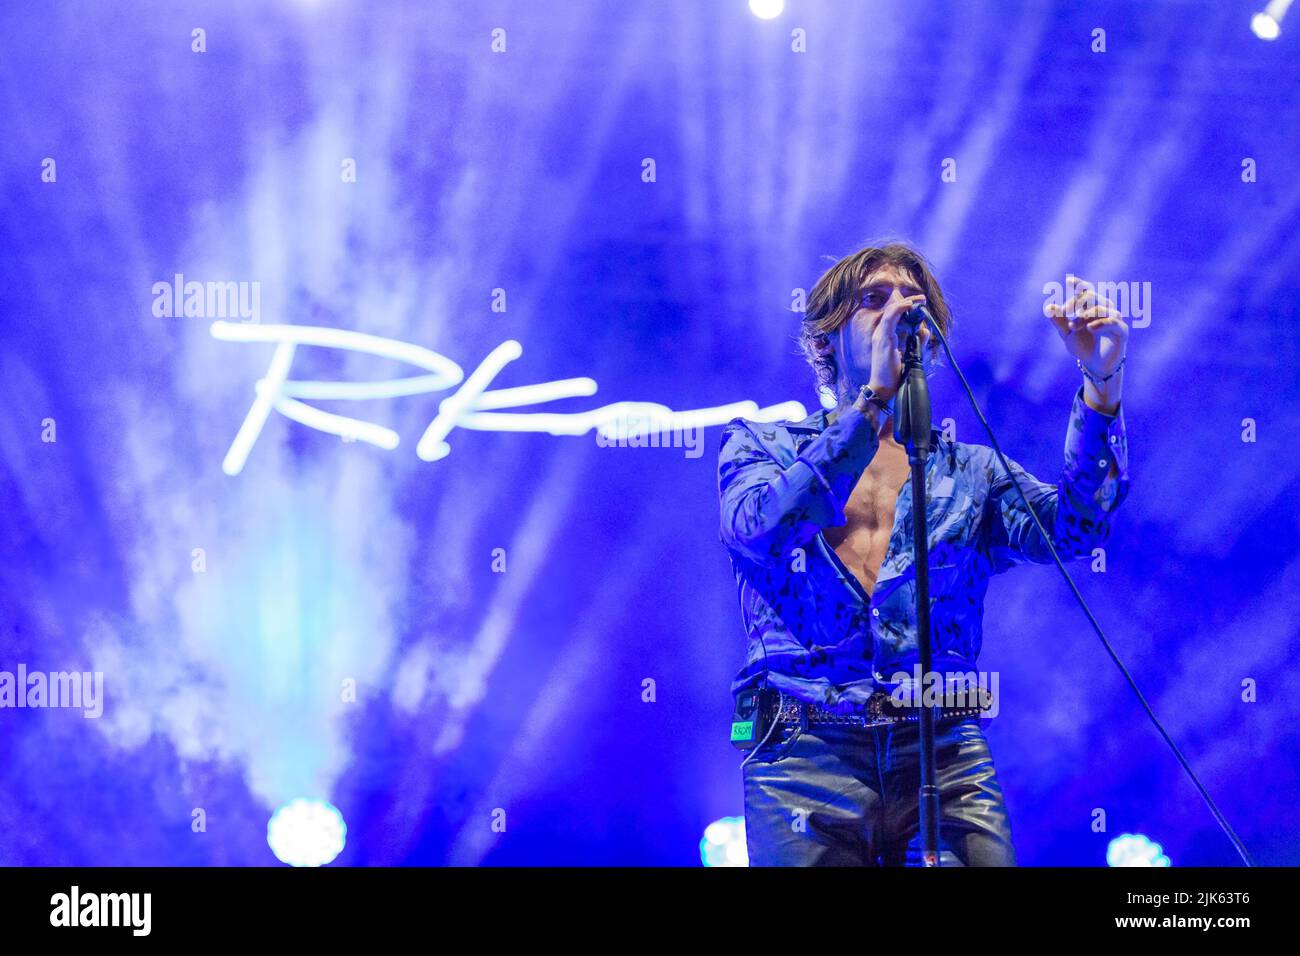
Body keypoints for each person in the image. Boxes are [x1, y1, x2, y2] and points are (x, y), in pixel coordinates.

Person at [717, 242, 1130, 865]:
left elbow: (1075, 528)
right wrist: (872, 403)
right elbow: (760, 529)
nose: (899, 309)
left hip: (943, 747)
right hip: (804, 756)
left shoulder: (972, 471)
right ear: (825, 341)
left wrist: (1102, 386)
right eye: (874, 299)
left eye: (913, 301)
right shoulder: (763, 445)